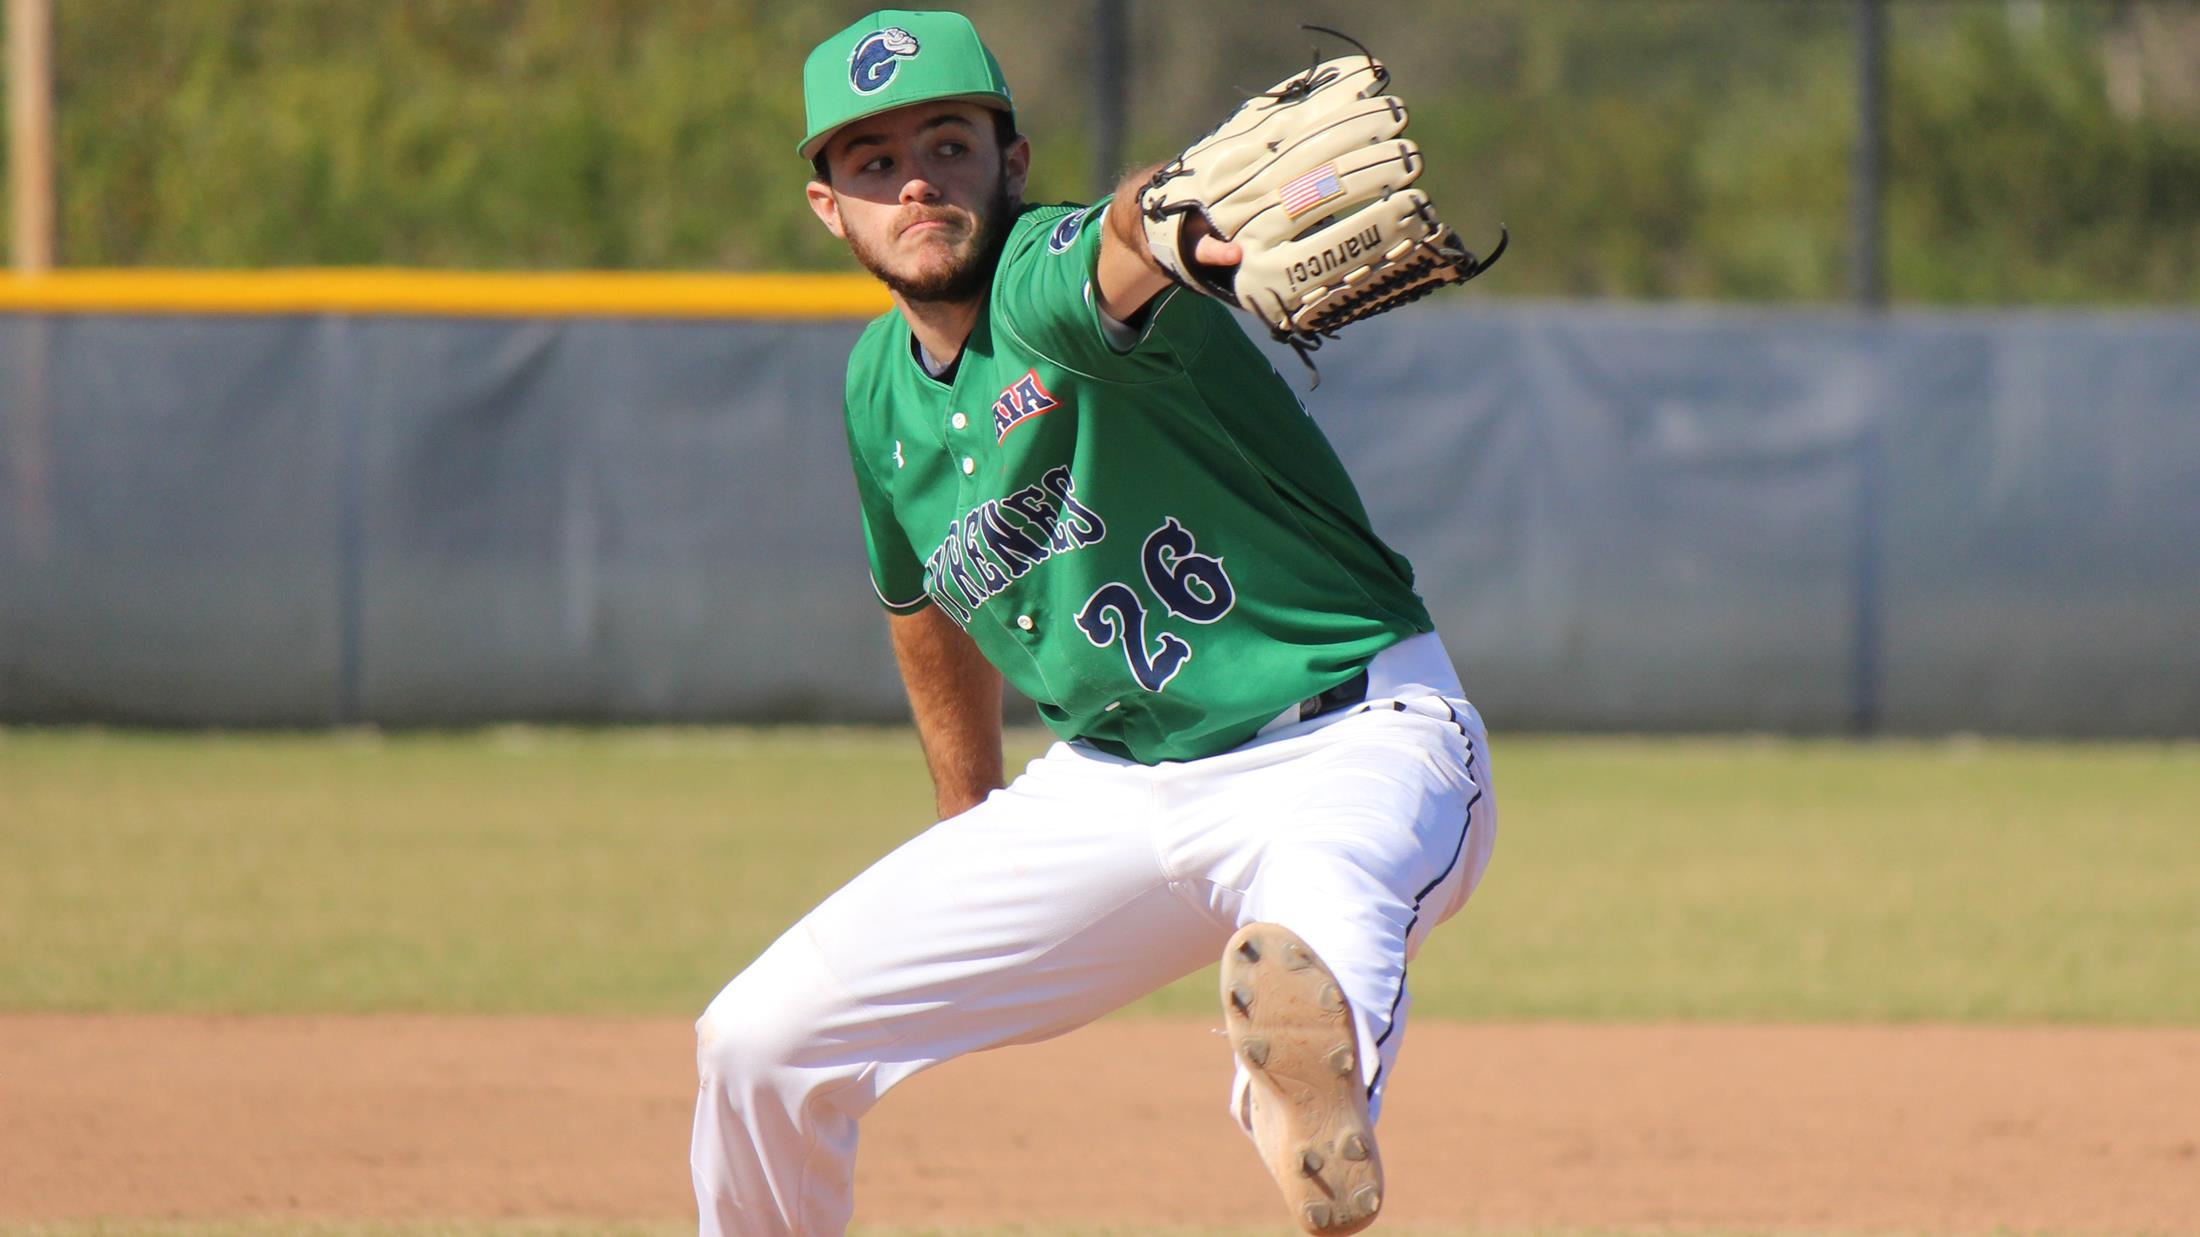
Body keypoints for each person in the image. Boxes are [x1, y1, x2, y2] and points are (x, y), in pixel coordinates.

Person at [691, 11, 1497, 1236]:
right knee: (755, 1041)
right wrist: (969, 825)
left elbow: (1117, 246)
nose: (914, 178)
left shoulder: (1040, 277)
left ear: (1010, 166)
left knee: (1311, 942)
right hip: (1111, 791)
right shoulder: (874, 389)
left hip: (1349, 735)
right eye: (871, 162)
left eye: (948, 143)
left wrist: (1169, 221)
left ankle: (1300, 1105)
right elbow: (921, 608)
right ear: (830, 210)